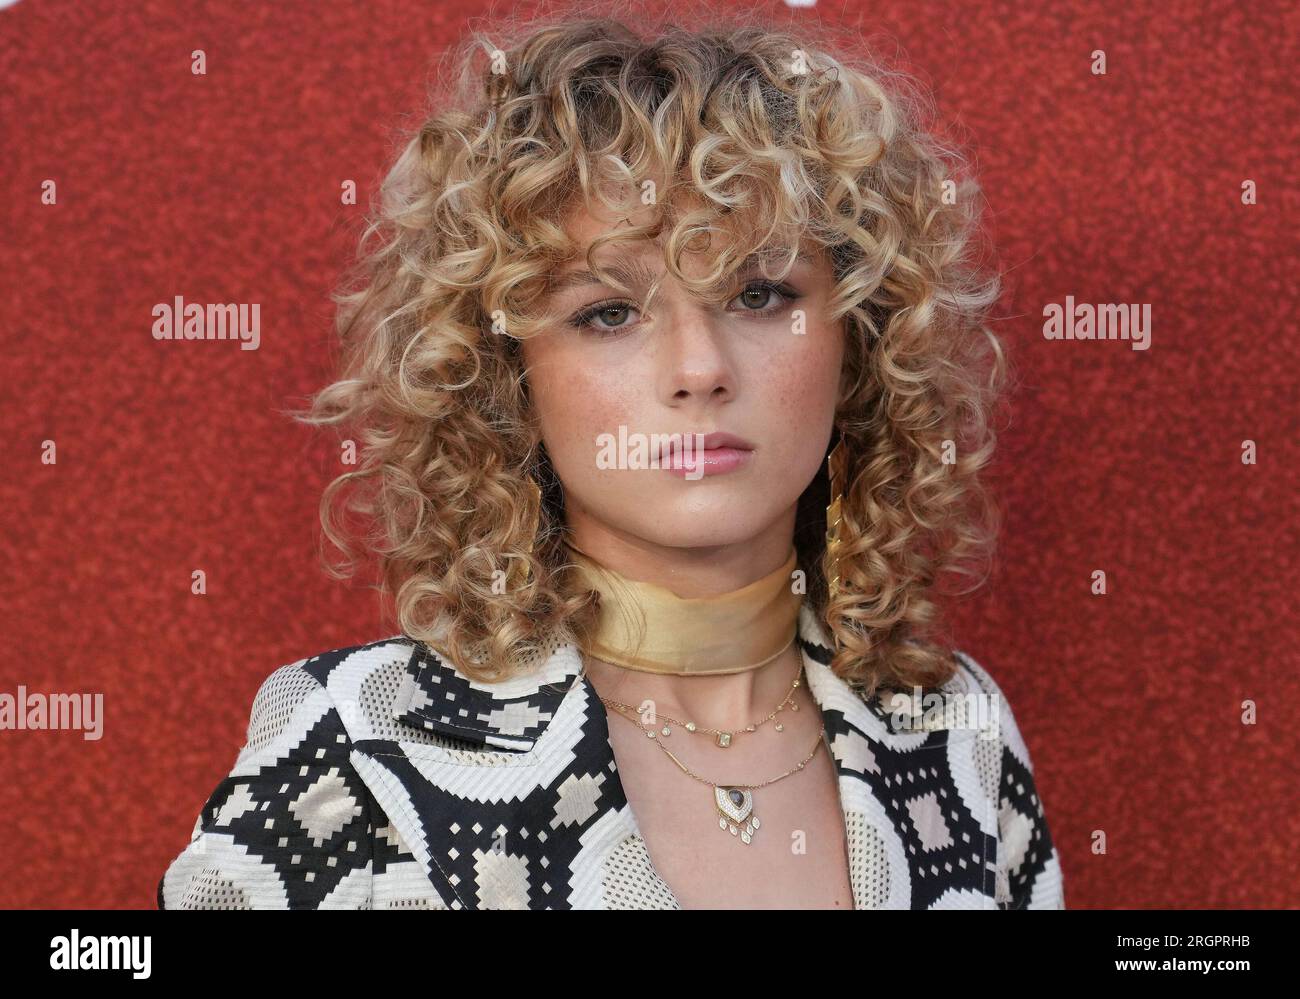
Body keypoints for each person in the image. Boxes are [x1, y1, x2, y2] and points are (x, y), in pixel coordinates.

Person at [157, 5, 1065, 910]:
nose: (699, 370)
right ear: (507, 374)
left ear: (859, 339)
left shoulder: (955, 728)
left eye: (758, 292)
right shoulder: (355, 745)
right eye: (608, 311)